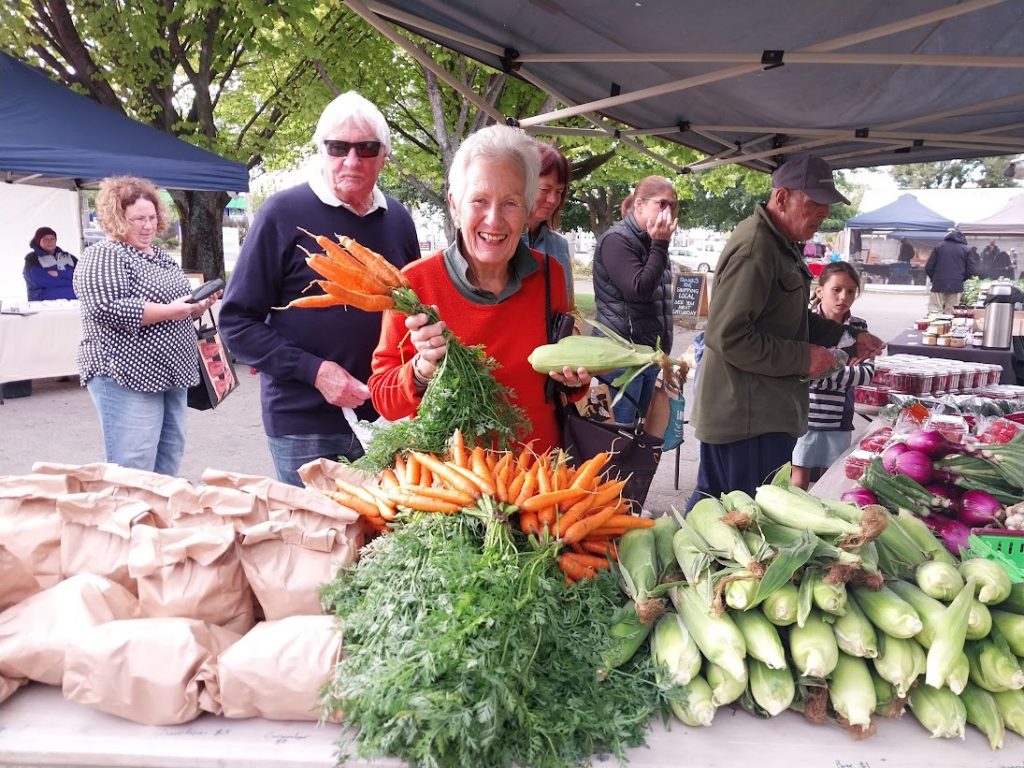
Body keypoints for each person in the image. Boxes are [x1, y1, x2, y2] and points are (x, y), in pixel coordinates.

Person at [219, 91, 420, 487]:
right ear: (320, 151)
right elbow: (237, 323)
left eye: (366, 148)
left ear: (384, 155)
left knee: (384, 540)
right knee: (315, 538)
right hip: (304, 420)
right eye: (338, 147)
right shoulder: (281, 213)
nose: (351, 160)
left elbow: (414, 309)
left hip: (388, 416)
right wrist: (315, 371)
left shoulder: (398, 219)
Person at [369, 124, 589, 454]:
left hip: (540, 478)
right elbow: (383, 398)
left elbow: (559, 385)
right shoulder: (414, 284)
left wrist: (574, 381)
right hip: (452, 485)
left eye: (511, 203)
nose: (494, 220)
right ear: (455, 205)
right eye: (479, 200)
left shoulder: (549, 276)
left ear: (529, 208)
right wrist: (421, 369)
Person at [689, 154, 885, 506]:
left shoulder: (781, 244)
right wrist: (802, 357)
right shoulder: (757, 249)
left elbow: (789, 318)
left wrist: (850, 338)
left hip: (762, 414)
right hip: (745, 421)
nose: (823, 213)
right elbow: (728, 336)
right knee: (734, 523)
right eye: (814, 203)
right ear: (781, 198)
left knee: (740, 521)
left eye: (827, 204)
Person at [73, 176, 218, 475]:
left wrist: (195, 307)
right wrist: (170, 310)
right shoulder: (103, 254)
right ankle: (129, 521)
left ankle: (157, 520)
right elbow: (106, 307)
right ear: (117, 217)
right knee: (134, 466)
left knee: (168, 460)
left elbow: (177, 308)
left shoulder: (160, 257)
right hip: (125, 374)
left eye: (152, 217)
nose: (148, 225)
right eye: (138, 218)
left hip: (171, 373)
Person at [592, 176, 676, 423]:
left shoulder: (652, 241)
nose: (668, 211)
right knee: (617, 437)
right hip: (622, 358)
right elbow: (638, 290)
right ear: (639, 205)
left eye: (672, 205)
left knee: (638, 436)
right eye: (662, 204)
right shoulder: (617, 240)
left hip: (646, 356)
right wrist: (660, 246)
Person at [791, 262, 874, 490]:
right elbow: (801, 371)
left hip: (838, 420)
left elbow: (867, 373)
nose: (843, 297)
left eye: (850, 291)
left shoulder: (858, 328)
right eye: (836, 290)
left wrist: (822, 369)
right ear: (820, 291)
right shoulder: (804, 325)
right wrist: (842, 366)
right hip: (804, 418)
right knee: (798, 478)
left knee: (832, 479)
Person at [522, 142, 574, 306]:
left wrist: (574, 327)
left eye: (559, 192)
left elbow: (569, 306)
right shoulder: (499, 241)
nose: (552, 200)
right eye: (545, 189)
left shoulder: (560, 245)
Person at [924, 228, 976, 313]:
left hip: (939, 282)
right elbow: (971, 270)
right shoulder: (966, 250)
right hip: (956, 284)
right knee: (951, 311)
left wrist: (935, 279)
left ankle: (934, 326)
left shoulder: (939, 247)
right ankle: (947, 325)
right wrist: (961, 279)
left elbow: (929, 267)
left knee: (934, 309)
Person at [23, 226, 78, 300]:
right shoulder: (32, 259)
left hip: (72, 303)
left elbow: (80, 278)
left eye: (52, 238)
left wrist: (59, 274)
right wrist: (68, 278)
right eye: (45, 239)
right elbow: (39, 281)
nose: (50, 241)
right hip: (43, 305)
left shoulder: (69, 257)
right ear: (38, 241)